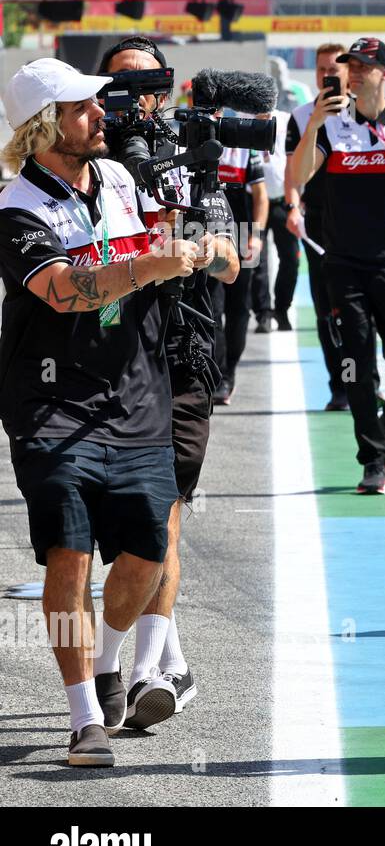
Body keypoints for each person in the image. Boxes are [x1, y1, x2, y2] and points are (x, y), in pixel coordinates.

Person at [0, 58, 201, 766]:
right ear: (46, 124)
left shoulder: (120, 178)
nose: (103, 114)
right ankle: (85, 718)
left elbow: (171, 242)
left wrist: (200, 246)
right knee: (69, 553)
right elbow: (61, 290)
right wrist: (153, 266)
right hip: (51, 404)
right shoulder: (15, 207)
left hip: (139, 394)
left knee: (148, 556)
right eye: (86, 107)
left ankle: (110, 660)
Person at [97, 37, 241, 729]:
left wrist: (206, 250)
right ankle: (168, 661)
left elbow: (233, 264)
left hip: (183, 358)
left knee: (163, 519)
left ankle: (149, 668)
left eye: (147, 83)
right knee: (121, 533)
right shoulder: (79, 159)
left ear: (164, 88)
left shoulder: (193, 156)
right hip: (100, 363)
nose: (134, 97)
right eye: (118, 84)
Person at [288, 36, 385, 494]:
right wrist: (315, 122)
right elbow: (297, 179)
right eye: (350, 66)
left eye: (364, 65)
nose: (354, 72)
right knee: (356, 364)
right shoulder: (332, 125)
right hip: (344, 265)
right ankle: (371, 457)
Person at [284, 42, 374, 411]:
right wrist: (292, 206)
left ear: (346, 74)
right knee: (328, 310)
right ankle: (339, 385)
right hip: (319, 226)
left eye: (333, 71)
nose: (326, 76)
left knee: (365, 310)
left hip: (363, 224)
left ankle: (369, 382)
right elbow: (293, 172)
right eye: (321, 70)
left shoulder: (367, 111)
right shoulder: (302, 116)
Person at [212, 134, 268, 405]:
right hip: (204, 235)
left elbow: (261, 196)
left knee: (238, 308)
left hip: (241, 234)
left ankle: (230, 369)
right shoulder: (189, 138)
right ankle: (218, 373)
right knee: (212, 308)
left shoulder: (243, 146)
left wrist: (256, 236)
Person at [259, 105, 300, 333]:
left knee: (291, 259)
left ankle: (282, 308)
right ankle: (263, 312)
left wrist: (298, 198)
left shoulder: (286, 120)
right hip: (253, 203)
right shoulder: (242, 122)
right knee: (255, 259)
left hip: (284, 202)